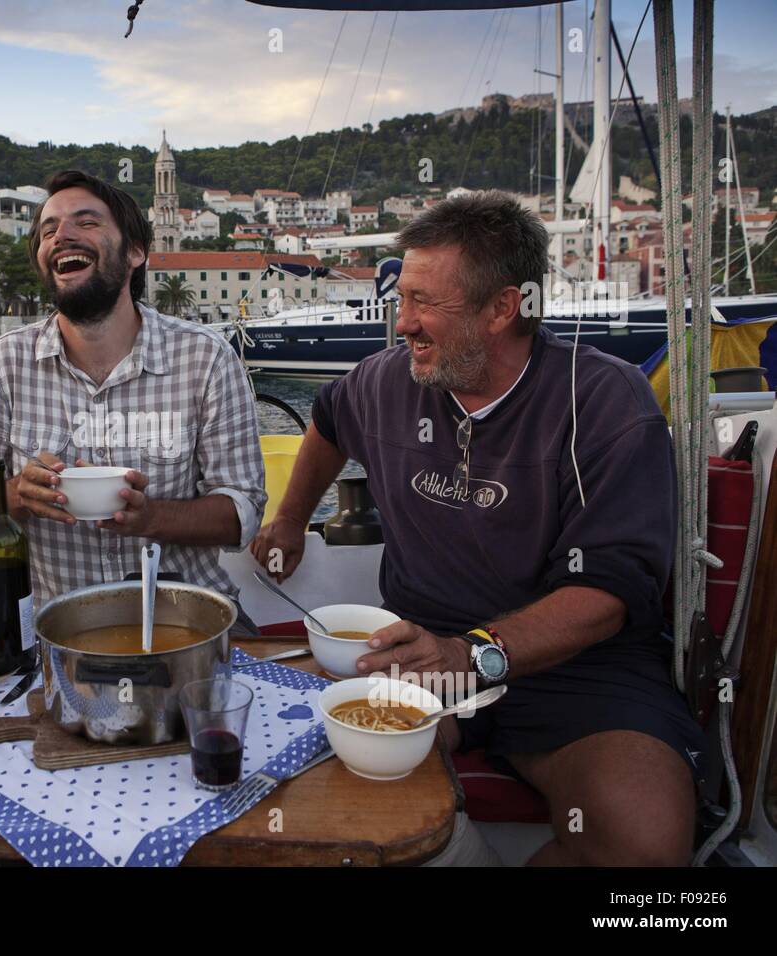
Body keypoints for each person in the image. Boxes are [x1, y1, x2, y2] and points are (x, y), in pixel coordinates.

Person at [252, 191, 703, 865]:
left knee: (641, 846)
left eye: (425, 303)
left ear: (503, 308)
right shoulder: (384, 383)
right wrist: (288, 521)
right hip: (423, 658)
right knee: (310, 798)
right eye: (400, 299)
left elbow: (609, 595)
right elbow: (328, 420)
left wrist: (474, 652)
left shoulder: (605, 402)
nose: (403, 324)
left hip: (581, 673)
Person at [0, 170, 266, 630]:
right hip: (57, 633)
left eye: (86, 221)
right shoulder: (5, 363)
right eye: (48, 229)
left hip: (187, 621)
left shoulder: (206, 357)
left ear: (135, 252)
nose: (62, 235)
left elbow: (242, 515)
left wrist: (150, 517)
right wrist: (18, 494)